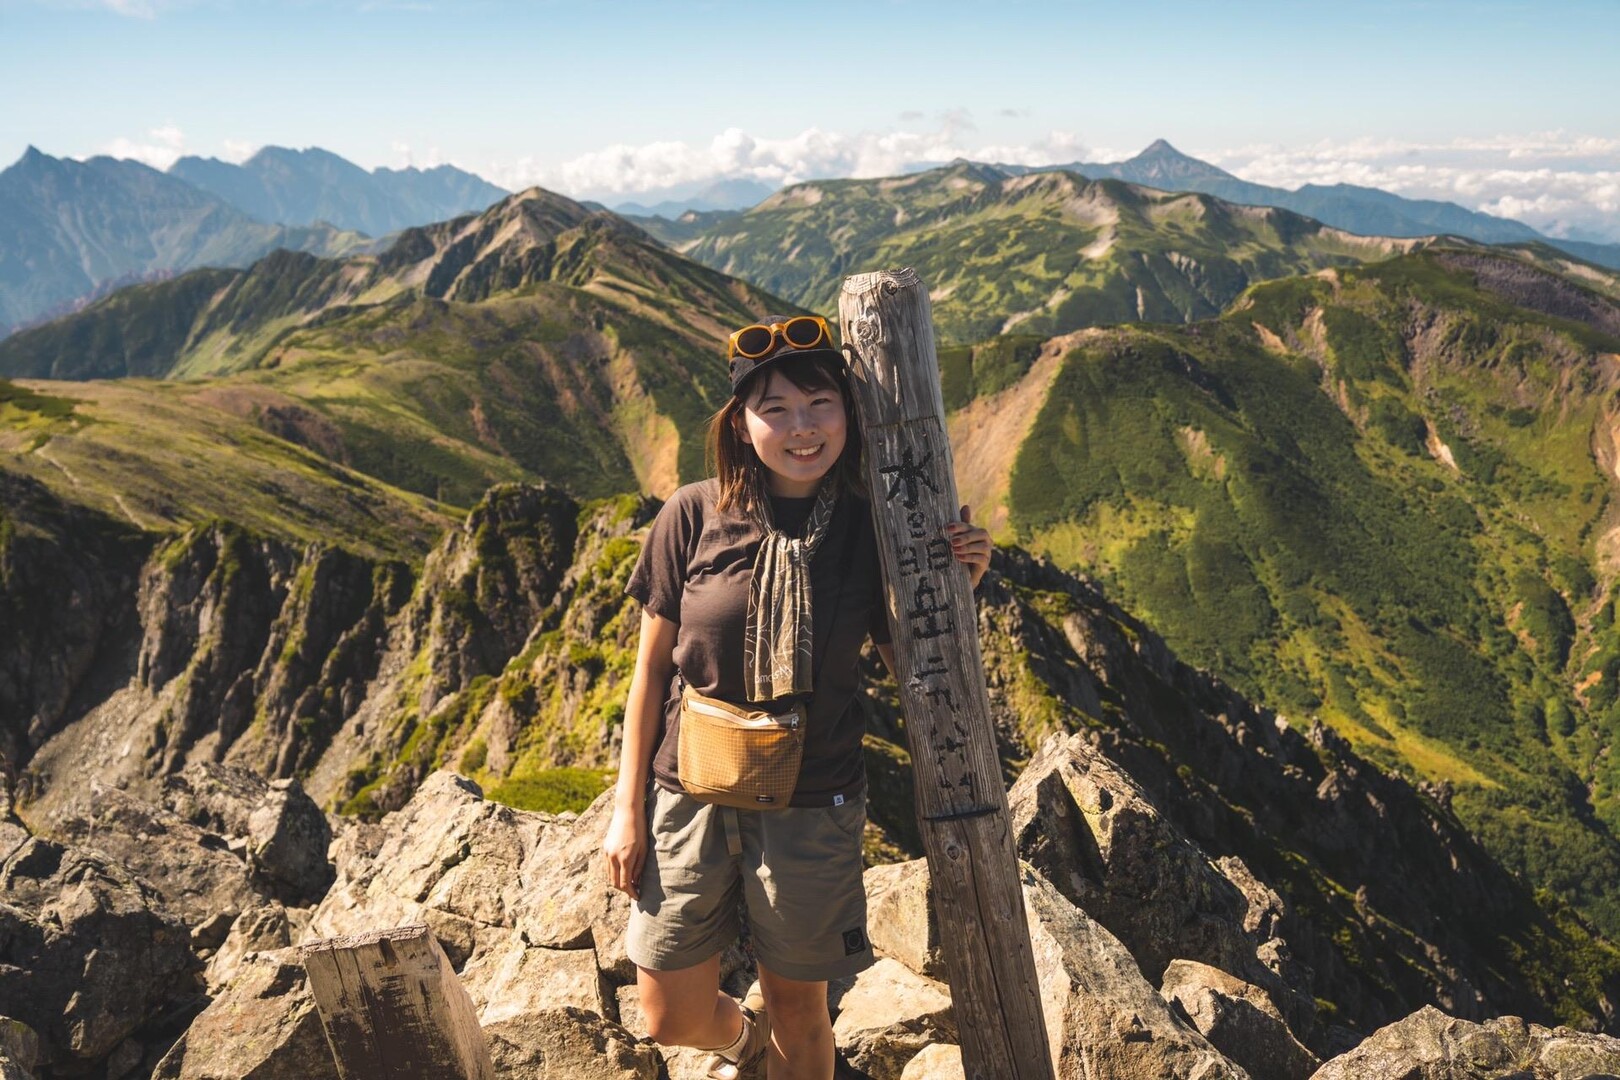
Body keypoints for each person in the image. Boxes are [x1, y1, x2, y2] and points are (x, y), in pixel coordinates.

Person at [602, 313, 991, 1080]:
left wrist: (955, 586)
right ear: (741, 425)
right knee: (667, 1013)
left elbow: (912, 661)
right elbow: (650, 672)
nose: (801, 428)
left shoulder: (875, 530)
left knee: (801, 1014)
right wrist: (627, 809)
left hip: (815, 800)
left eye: (820, 404)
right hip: (690, 790)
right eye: (774, 409)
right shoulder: (691, 513)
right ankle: (744, 1049)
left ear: (851, 413)